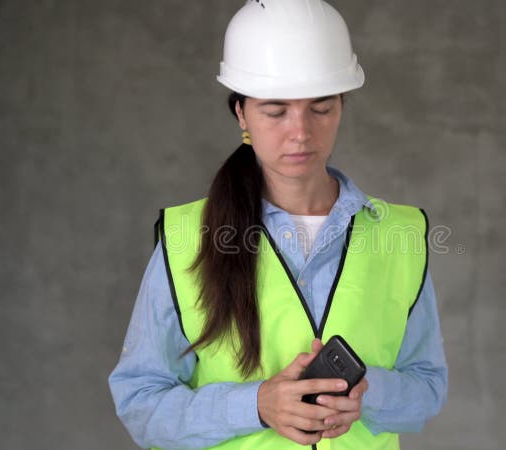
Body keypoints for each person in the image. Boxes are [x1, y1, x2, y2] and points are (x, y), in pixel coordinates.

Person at [108, 1, 448, 449]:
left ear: (342, 106)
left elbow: (427, 388)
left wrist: (369, 394)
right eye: (276, 110)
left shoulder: (398, 235)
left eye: (320, 108)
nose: (301, 131)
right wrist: (257, 405)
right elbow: (141, 402)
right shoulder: (187, 238)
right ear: (242, 115)